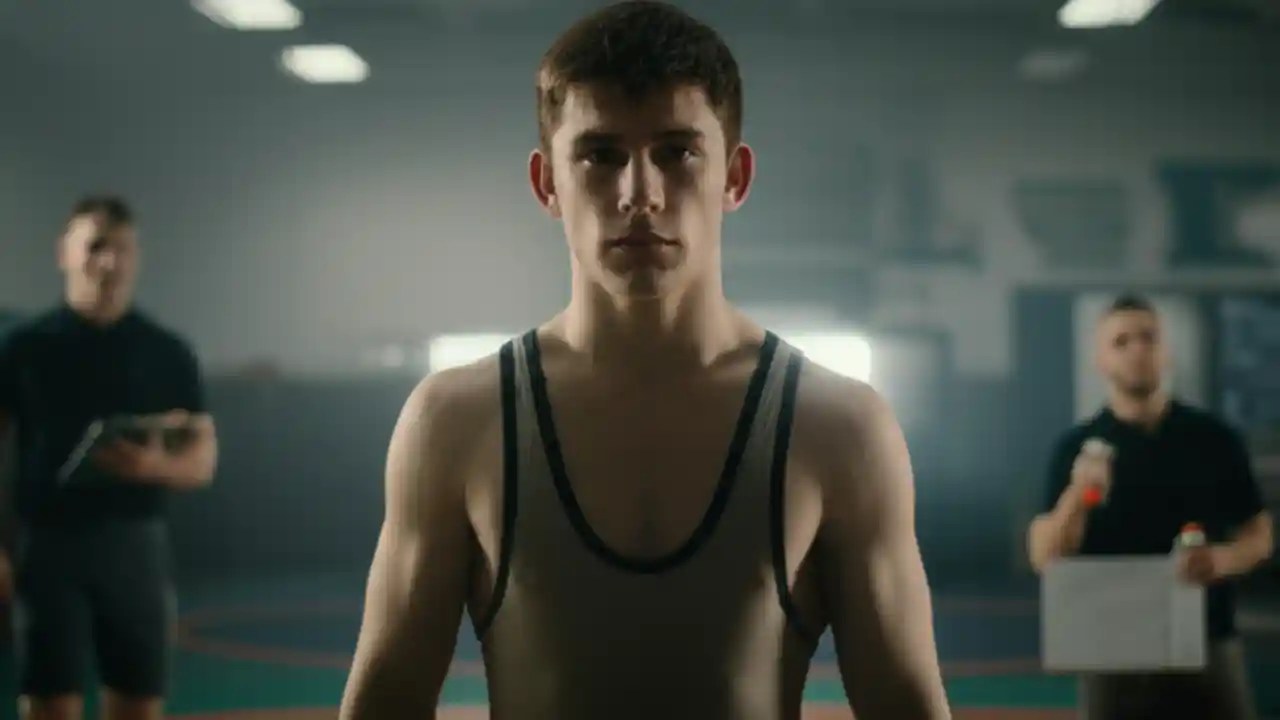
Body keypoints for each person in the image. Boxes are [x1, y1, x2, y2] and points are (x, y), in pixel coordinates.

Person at [340, 2, 950, 719]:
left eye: (677, 152)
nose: (639, 195)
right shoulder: (454, 423)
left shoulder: (839, 429)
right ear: (546, 183)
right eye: (600, 155)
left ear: (735, 177)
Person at [0, 196, 218, 720]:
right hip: (48, 545)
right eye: (96, 246)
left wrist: (153, 468)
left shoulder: (167, 351)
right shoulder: (24, 347)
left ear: (136, 257)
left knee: (138, 698)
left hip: (136, 548)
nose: (109, 261)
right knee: (49, 699)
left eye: (121, 249)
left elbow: (203, 461)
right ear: (65, 253)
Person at [1027, 294, 1273, 720]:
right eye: (1121, 341)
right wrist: (1077, 497)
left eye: (1149, 337)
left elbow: (1260, 535)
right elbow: (1044, 556)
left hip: (1206, 639)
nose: (1138, 349)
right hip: (1110, 647)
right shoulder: (1075, 448)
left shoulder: (1213, 440)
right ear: (1100, 360)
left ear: (1167, 352)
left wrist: (1222, 559)